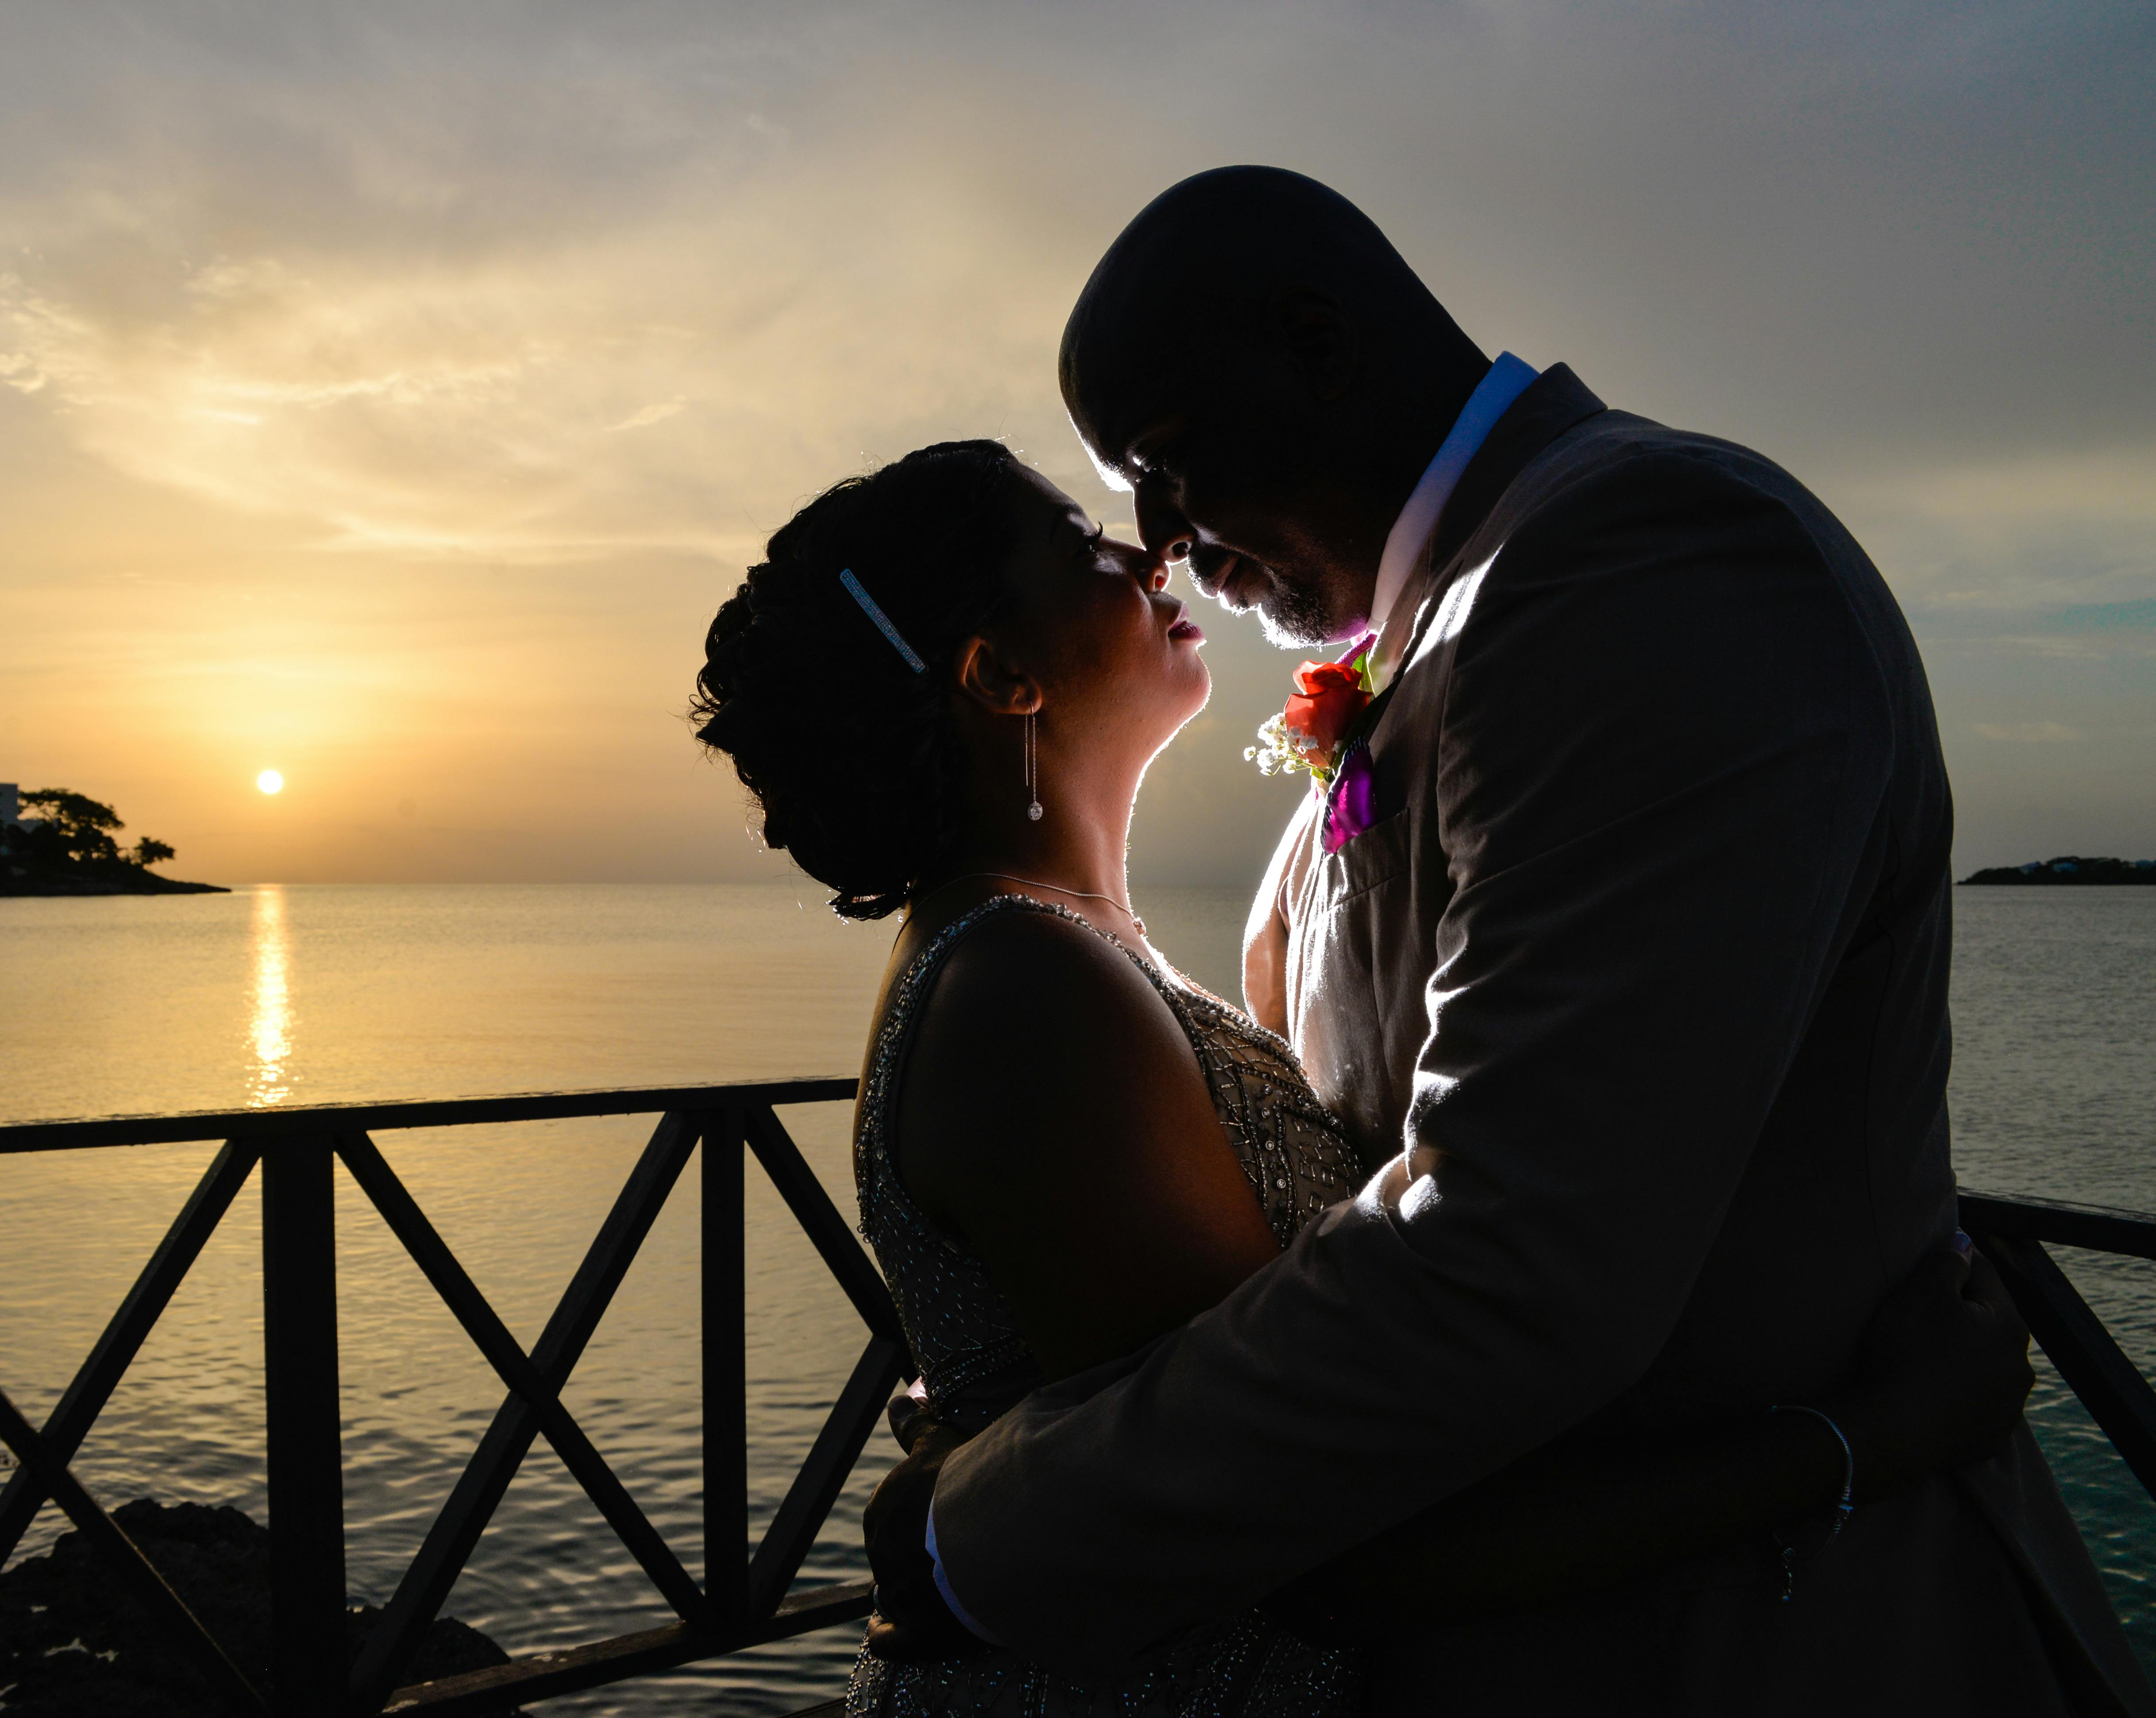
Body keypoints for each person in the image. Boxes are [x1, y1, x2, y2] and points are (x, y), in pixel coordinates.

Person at [837, 169, 2155, 1716]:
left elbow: (1514, 1254)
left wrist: (984, 1530)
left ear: (1320, 346)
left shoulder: (1648, 561)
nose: (1164, 540)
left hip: (1773, 1639)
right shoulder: (1458, 622)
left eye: (1170, 460)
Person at [692, 438, 2041, 1717]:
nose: (1149, 550)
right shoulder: (1025, 990)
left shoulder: (1060, 954)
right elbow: (1330, 1542)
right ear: (1001, 677)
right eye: (1081, 541)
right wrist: (1867, 1437)